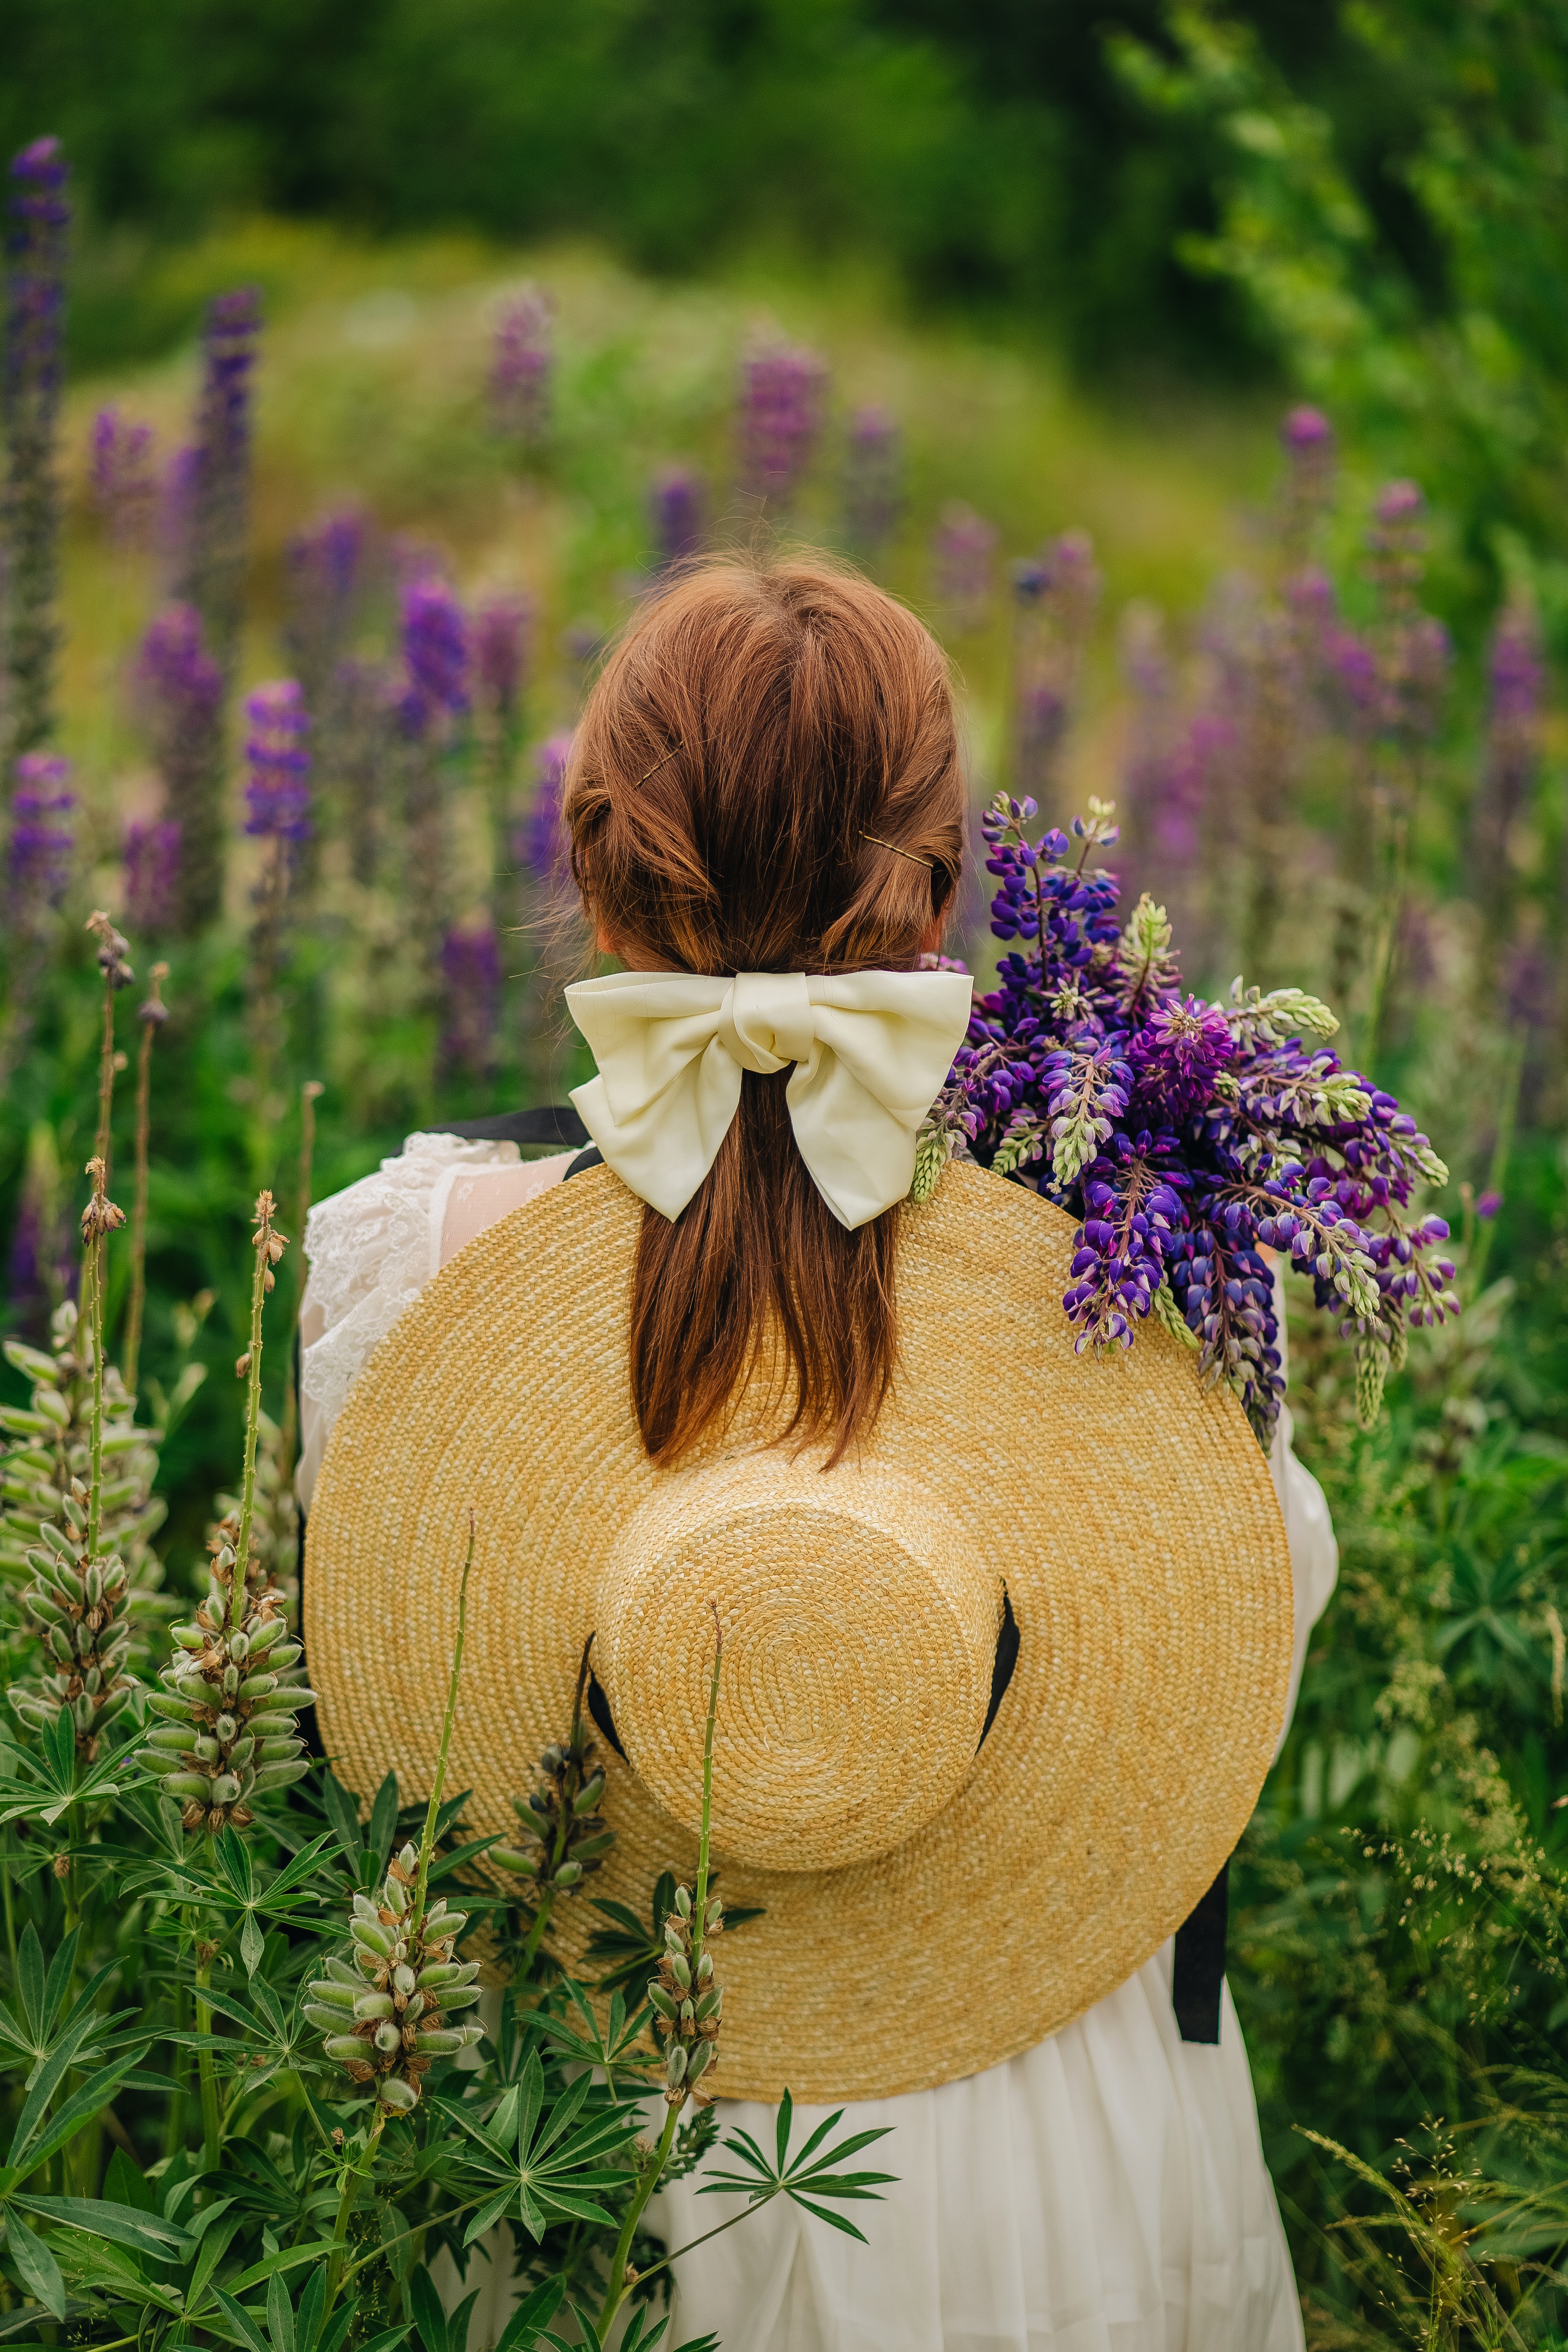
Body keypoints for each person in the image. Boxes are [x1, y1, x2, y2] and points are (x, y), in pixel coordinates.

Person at [299, 556, 1337, 2352]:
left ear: (594, 860)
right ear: (941, 882)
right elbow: (1246, 1643)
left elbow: (362, 1706)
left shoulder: (416, 1259)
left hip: (593, 2115)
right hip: (1049, 2126)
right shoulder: (1140, 1245)